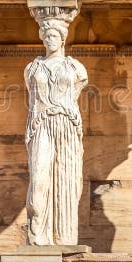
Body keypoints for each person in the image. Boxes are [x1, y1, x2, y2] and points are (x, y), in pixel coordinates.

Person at [24, 12, 88, 246]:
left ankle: (64, 237)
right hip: (41, 124)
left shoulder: (76, 68)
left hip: (67, 125)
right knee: (39, 179)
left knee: (66, 178)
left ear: (62, 39)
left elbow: (79, 87)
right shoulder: (32, 68)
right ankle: (38, 236)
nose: (49, 40)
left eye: (54, 35)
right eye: (46, 35)